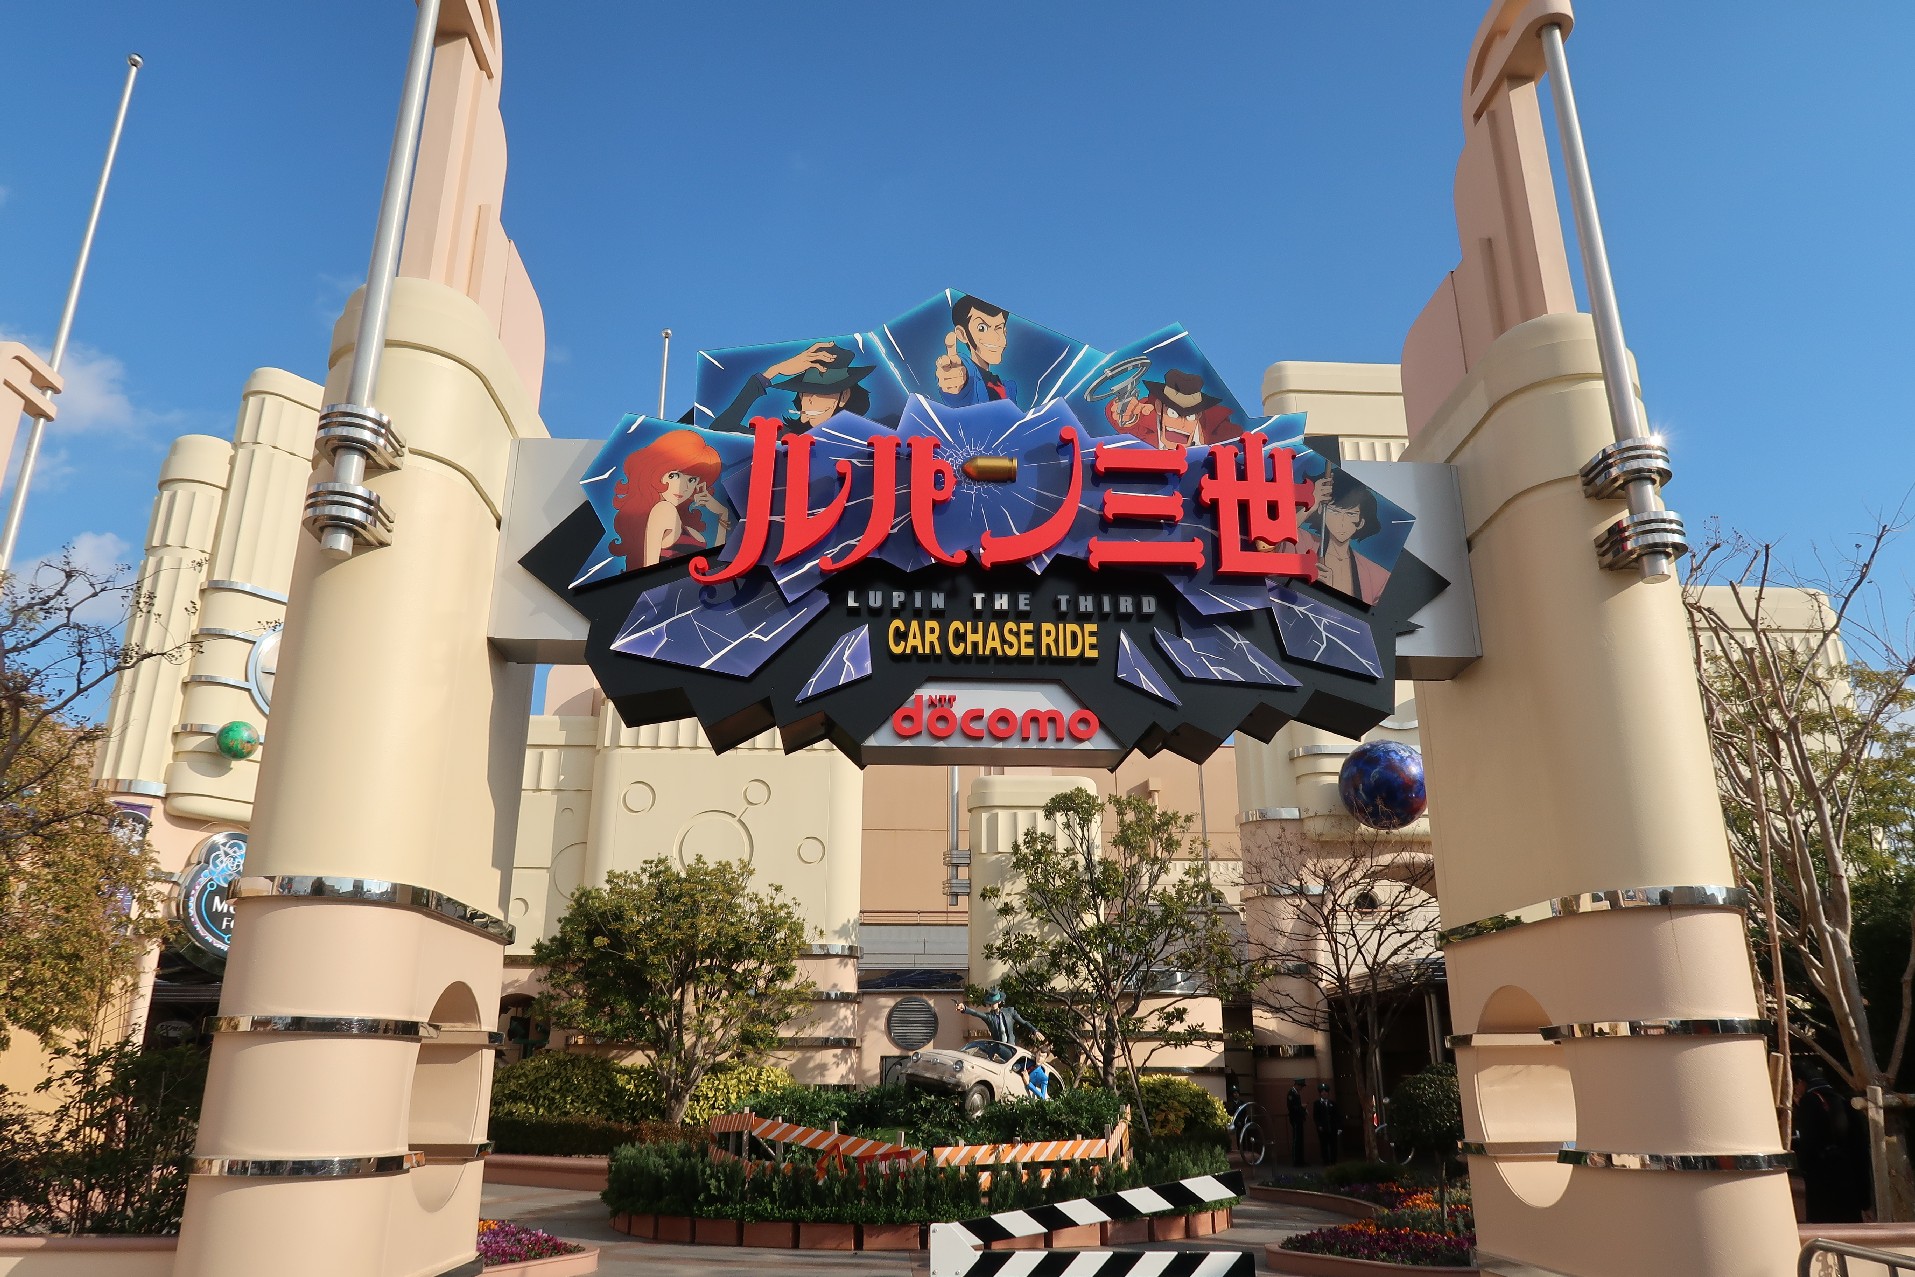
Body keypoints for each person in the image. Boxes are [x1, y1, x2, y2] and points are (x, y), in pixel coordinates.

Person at [610, 429, 732, 569]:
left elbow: (716, 564)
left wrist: (722, 513)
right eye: (674, 476)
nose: (683, 487)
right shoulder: (664, 509)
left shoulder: (684, 525)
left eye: (692, 480)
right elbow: (650, 571)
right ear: (656, 471)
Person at [710, 340, 875, 436]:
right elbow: (721, 431)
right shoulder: (783, 438)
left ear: (843, 396)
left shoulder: (862, 442)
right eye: (805, 391)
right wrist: (773, 372)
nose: (808, 400)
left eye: (821, 393)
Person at [1299, 468, 1389, 605]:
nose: (1341, 522)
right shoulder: (1302, 542)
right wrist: (1312, 503)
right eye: (1335, 512)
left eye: (1350, 514)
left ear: (1361, 522)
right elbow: (1273, 538)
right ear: (1322, 511)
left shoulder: (1377, 576)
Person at [1106, 368, 1242, 448]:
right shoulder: (1147, 423)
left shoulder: (1218, 432)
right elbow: (1129, 423)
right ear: (1159, 408)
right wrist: (1126, 414)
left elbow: (1240, 441)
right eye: (1173, 413)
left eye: (1190, 416)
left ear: (1199, 415)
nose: (1181, 424)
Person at [1793, 1068, 1863, 1222]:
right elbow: (1859, 1145)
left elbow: (1808, 1141)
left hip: (1822, 1177)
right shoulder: (1843, 1099)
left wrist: (1803, 1165)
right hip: (1848, 1176)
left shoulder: (1809, 1101)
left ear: (1800, 1082)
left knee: (1825, 1224)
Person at [934, 295, 1016, 406]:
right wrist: (953, 383)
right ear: (962, 334)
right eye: (982, 328)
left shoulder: (1009, 388)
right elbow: (960, 384)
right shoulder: (967, 373)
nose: (996, 337)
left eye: (998, 328)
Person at [957, 988, 1042, 1047]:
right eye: (991, 1003)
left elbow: (1024, 1022)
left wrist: (1035, 1030)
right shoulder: (989, 1017)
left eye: (995, 1002)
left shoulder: (1010, 1012)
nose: (993, 1005)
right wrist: (964, 1008)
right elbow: (976, 1013)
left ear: (999, 1002)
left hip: (1011, 1046)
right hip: (999, 1048)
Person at [1313, 1083, 1341, 1165]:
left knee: (1333, 1145)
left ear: (1328, 1093)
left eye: (1326, 1092)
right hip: (1323, 1128)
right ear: (1320, 1093)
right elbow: (1316, 1116)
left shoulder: (1333, 1103)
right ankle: (1325, 1161)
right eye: (1322, 1092)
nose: (1324, 1093)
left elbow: (1337, 1116)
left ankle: (1333, 1161)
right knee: (1323, 1145)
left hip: (1332, 1127)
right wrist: (1319, 1125)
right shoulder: (1317, 1104)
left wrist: (1339, 1127)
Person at [1287, 1079, 1309, 1166]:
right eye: (1301, 1086)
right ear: (1297, 1085)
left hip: (1298, 1119)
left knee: (1300, 1140)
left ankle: (1300, 1160)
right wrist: (1301, 1107)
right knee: (1297, 1140)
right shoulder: (1291, 1093)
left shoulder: (1296, 1093)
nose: (1301, 1088)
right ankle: (1296, 1161)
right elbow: (1292, 1107)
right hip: (1295, 1119)